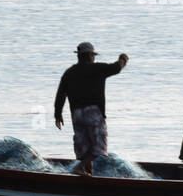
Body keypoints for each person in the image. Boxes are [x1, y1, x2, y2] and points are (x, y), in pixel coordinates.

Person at [54, 42, 129, 176]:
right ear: (89, 55)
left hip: (76, 114)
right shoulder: (97, 69)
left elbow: (61, 94)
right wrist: (123, 59)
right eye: (93, 55)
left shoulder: (69, 73)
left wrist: (58, 115)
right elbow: (116, 68)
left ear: (79, 56)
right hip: (93, 113)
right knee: (99, 148)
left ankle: (87, 173)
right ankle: (81, 167)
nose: (94, 58)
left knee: (85, 148)